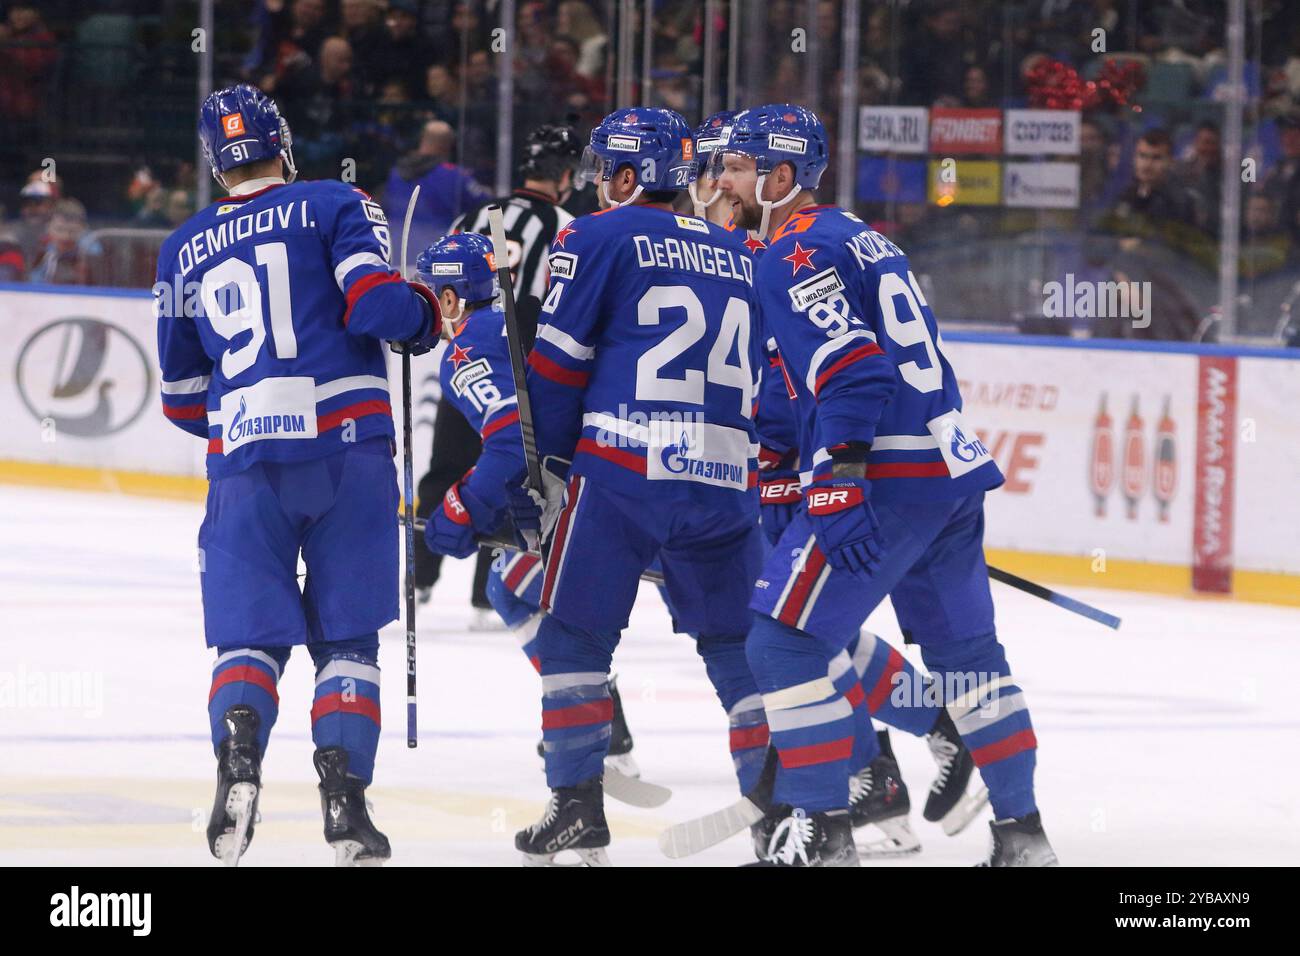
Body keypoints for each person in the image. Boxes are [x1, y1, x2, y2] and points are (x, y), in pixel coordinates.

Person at [713, 104, 1055, 867]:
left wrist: (835, 476)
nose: (722, 181)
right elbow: (799, 374)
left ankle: (823, 835)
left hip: (887, 474)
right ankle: (1023, 837)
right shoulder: (858, 237)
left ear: (779, 177)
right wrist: (781, 461)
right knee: (969, 662)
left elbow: (851, 367)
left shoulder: (792, 252)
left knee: (783, 641)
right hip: (948, 470)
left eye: (736, 168)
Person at [154, 83, 440, 867]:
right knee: (348, 641)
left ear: (215, 168)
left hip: (245, 466)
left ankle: (240, 754)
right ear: (284, 145)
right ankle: (346, 804)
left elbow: (181, 399)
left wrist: (249, 415)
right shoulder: (332, 201)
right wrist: (430, 313)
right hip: (348, 452)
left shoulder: (181, 247)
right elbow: (377, 310)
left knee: (249, 639)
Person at [512, 107, 768, 866]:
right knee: (735, 645)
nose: (595, 183)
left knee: (574, 634)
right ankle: (778, 803)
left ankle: (577, 808)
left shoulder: (594, 235)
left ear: (628, 177)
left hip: (625, 473)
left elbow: (556, 372)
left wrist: (537, 474)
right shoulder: (741, 251)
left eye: (603, 170)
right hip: (725, 480)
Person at [412, 232, 641, 777]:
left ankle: (591, 723)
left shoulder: (468, 342)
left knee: (516, 589)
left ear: (449, 299)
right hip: (639, 463)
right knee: (518, 585)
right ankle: (598, 724)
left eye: (429, 292)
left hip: (595, 489)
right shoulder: (519, 323)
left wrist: (462, 507)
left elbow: (513, 436)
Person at [412, 125, 583, 624]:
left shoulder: (473, 216)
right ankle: (491, 592)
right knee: (512, 468)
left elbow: (447, 288)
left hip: (469, 349)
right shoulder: (566, 222)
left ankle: (419, 575)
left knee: (446, 466)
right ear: (566, 175)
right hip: (524, 362)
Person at [383, 120, 493, 259]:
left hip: (399, 257)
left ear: (422, 139)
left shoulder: (395, 173)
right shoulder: (455, 176)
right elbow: (488, 205)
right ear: (448, 145)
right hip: (438, 261)